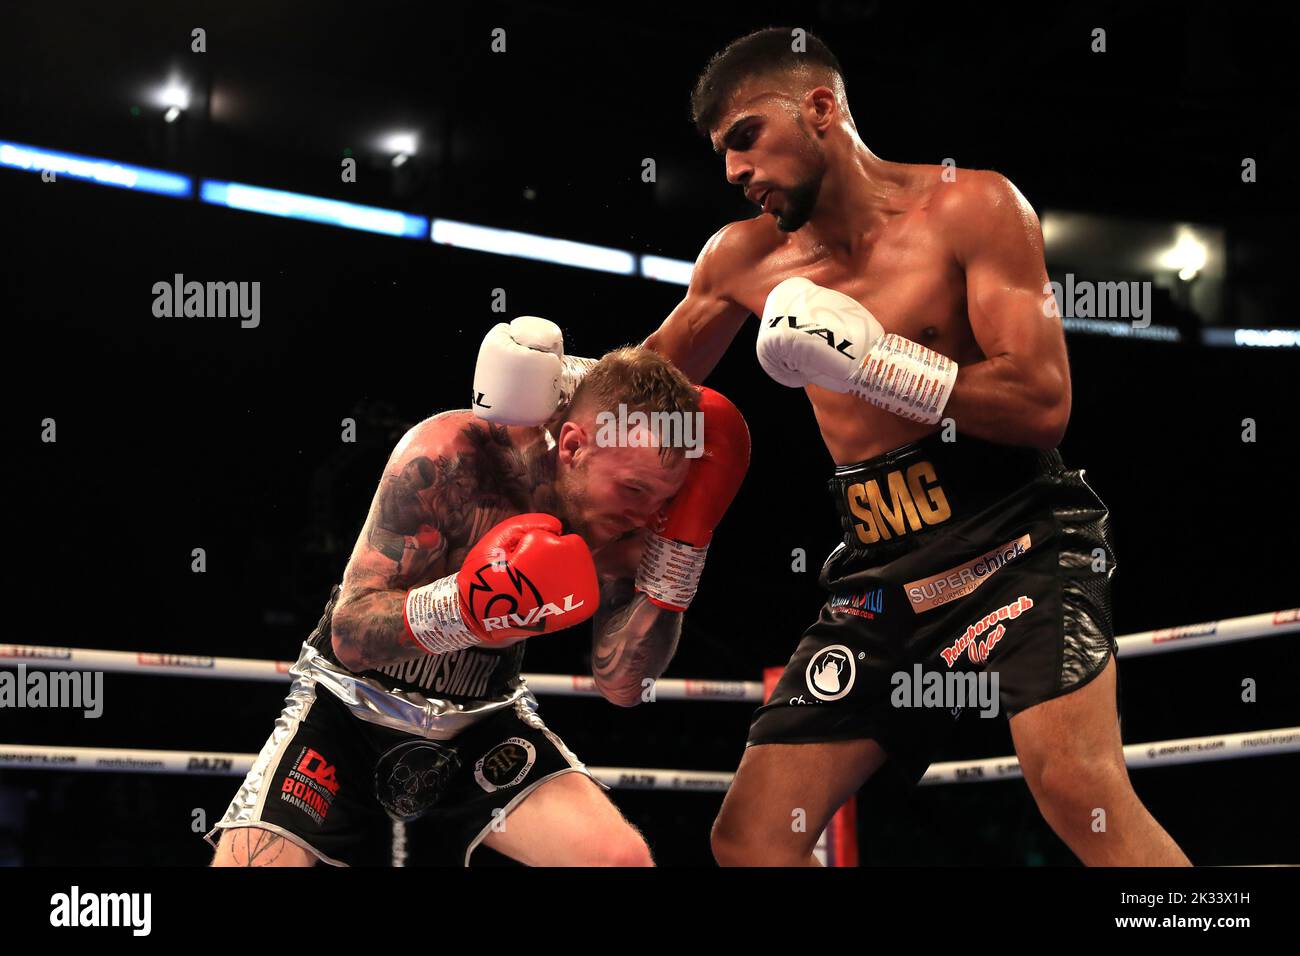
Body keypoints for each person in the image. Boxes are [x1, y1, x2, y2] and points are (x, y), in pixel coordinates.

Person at [638, 27, 1190, 866]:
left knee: (1081, 792)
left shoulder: (973, 207)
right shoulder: (739, 259)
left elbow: (1043, 402)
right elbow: (640, 395)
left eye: (746, 136)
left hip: (1019, 541)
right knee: (750, 838)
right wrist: (540, 392)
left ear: (820, 108)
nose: (733, 171)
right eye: (721, 152)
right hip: (881, 571)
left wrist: (876, 365)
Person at [206, 339, 750, 866]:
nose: (645, 514)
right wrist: (466, 607)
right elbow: (349, 635)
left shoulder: (632, 522)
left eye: (664, 500)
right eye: (634, 491)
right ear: (573, 446)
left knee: (619, 860)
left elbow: (623, 686)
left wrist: (676, 561)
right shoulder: (451, 460)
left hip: (481, 725)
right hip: (348, 710)